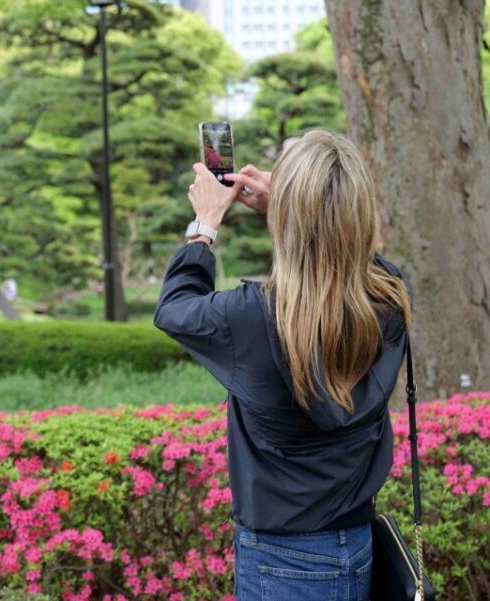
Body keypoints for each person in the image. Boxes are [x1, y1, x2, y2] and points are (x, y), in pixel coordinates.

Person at [154, 130, 412, 601]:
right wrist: (303, 208)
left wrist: (205, 222)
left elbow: (174, 307)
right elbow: (363, 264)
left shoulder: (252, 317)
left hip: (281, 558)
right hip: (355, 543)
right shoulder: (389, 299)